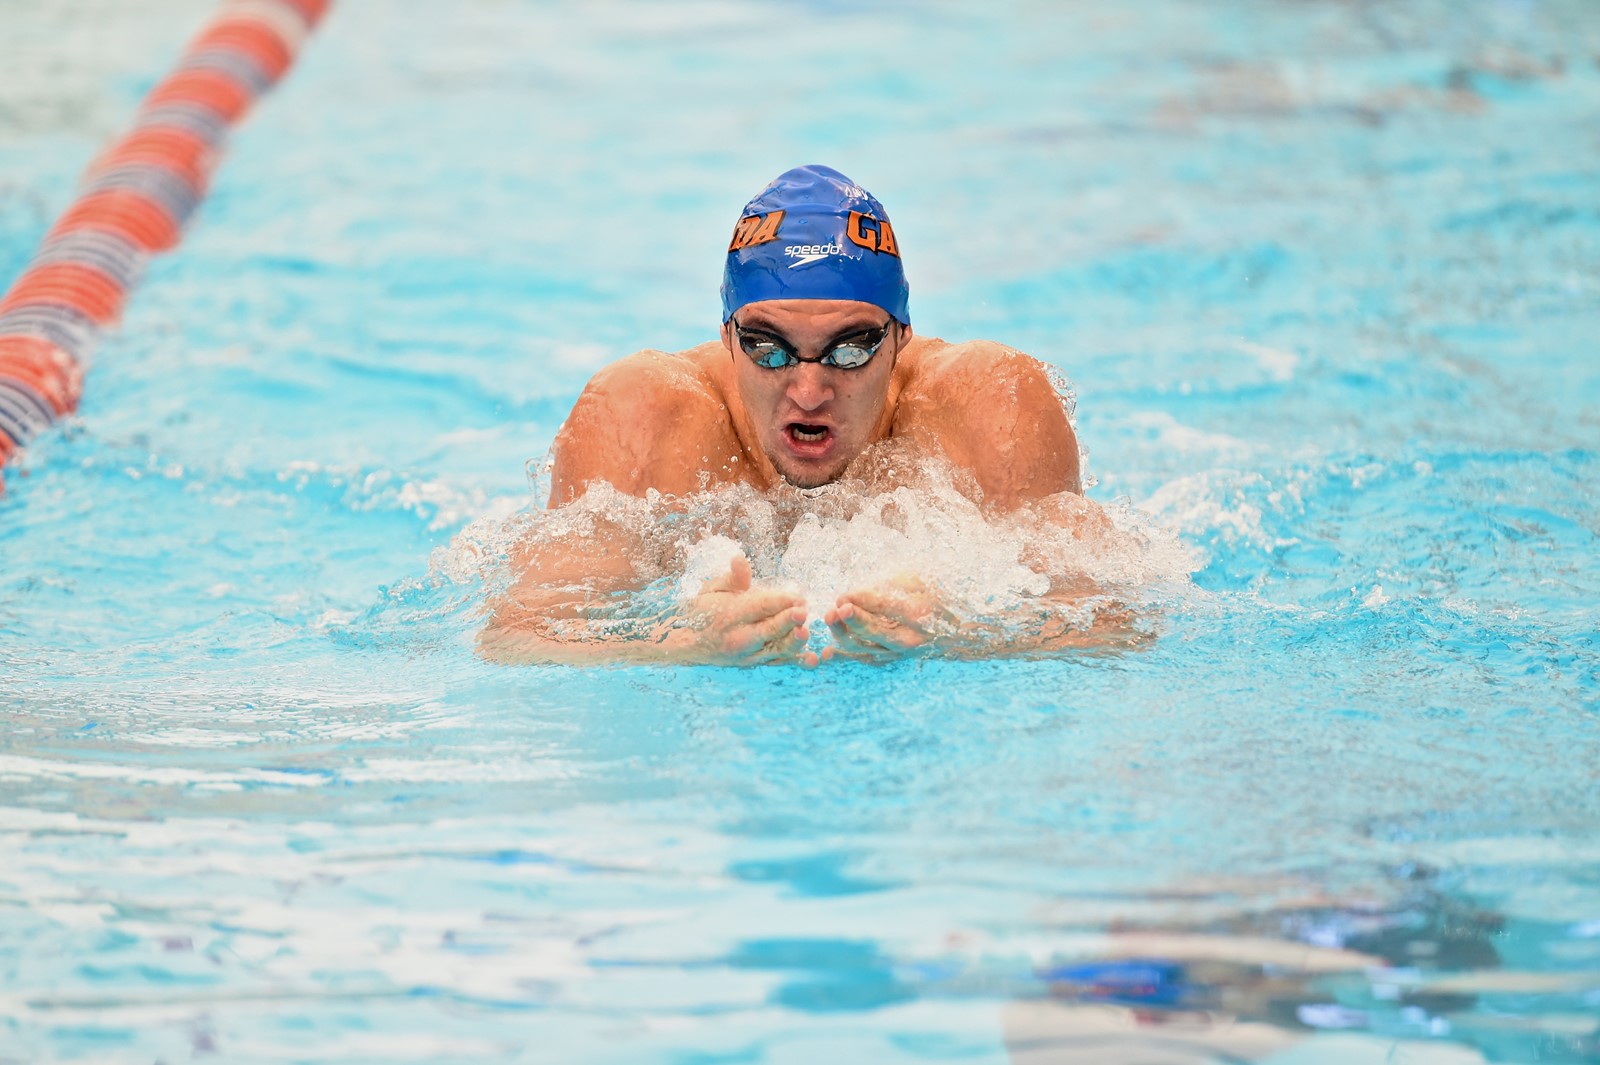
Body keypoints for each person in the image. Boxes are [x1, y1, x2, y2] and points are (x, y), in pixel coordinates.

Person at [480, 164, 1111, 667]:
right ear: (727, 336)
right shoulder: (643, 417)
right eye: (769, 349)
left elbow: (1111, 624)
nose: (808, 392)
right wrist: (684, 644)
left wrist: (960, 631)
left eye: (850, 349)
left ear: (901, 336)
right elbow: (516, 638)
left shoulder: (988, 405)